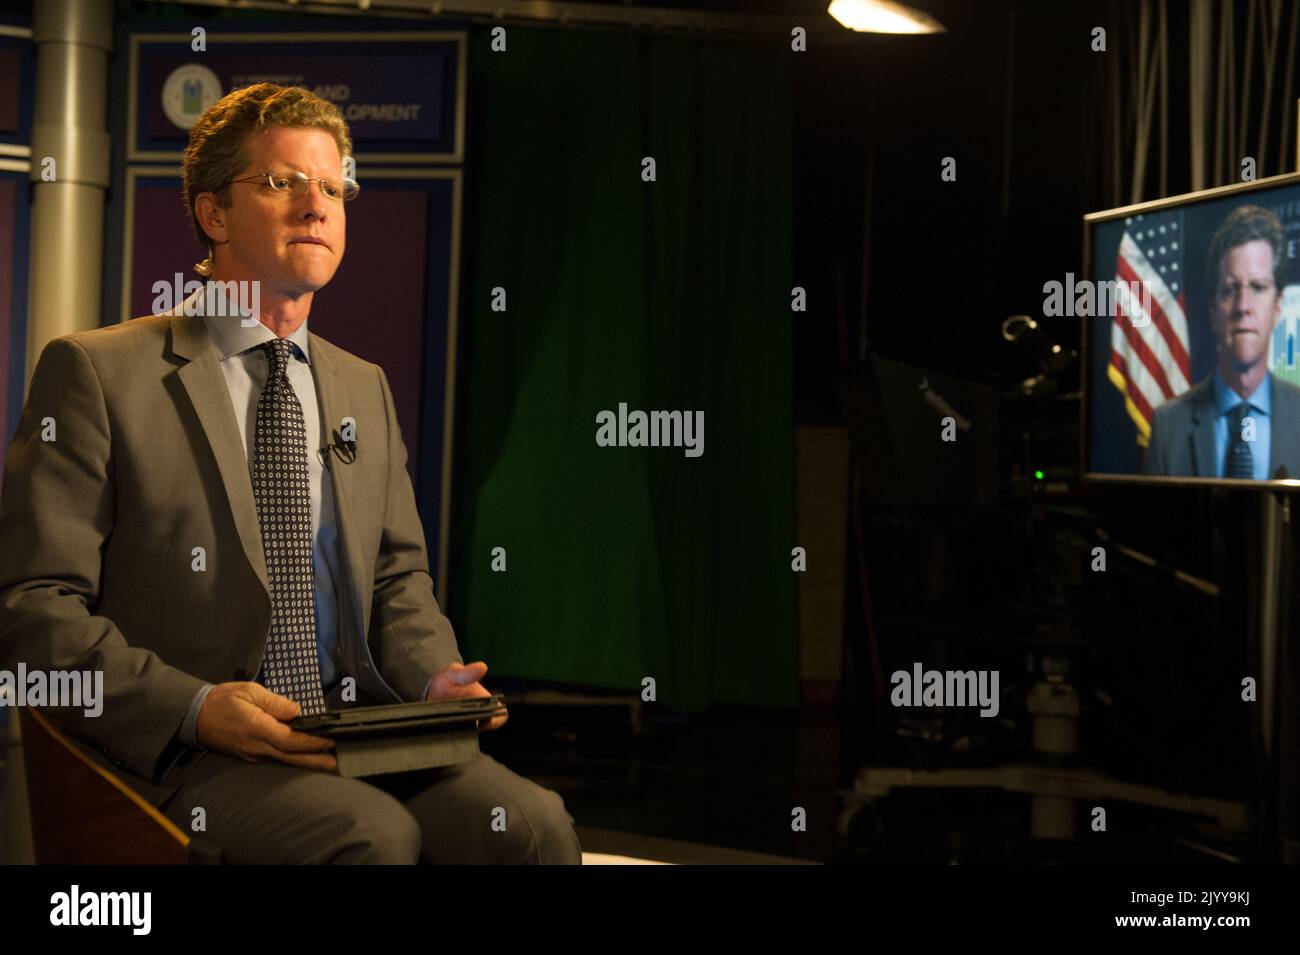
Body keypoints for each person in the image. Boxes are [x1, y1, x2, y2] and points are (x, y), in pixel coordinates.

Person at [0, 83, 581, 864]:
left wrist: (431, 681)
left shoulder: (360, 386)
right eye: (283, 182)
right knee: (372, 836)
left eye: (333, 187)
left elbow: (397, 582)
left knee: (531, 824)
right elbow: (33, 607)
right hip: (183, 754)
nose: (317, 205)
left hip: (356, 733)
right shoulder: (99, 373)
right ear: (213, 214)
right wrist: (198, 707)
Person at [1143, 204, 1300, 479]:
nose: (1243, 306)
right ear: (1213, 313)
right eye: (1229, 290)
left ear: (1277, 307)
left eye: (1258, 287)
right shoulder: (1168, 426)